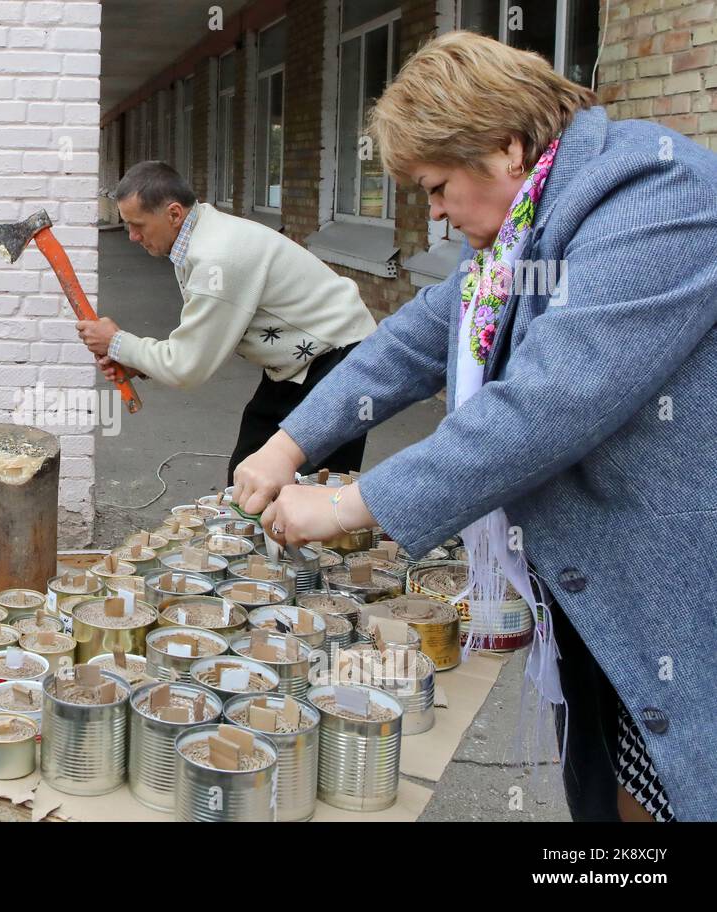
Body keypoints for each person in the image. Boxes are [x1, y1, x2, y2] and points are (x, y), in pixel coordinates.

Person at [234, 32, 717, 822]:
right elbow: (414, 338)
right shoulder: (534, 215)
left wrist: (351, 504)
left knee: (679, 777)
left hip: (675, 583)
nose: (434, 213)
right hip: (600, 576)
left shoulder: (656, 196)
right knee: (610, 781)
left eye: (436, 187)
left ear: (505, 146)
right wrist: (287, 443)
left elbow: (549, 403)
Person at [75, 162, 377, 485]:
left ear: (174, 214)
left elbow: (187, 366)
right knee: (247, 472)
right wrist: (139, 363)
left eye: (138, 225)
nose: (132, 236)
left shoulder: (216, 256)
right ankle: (248, 533)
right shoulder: (197, 236)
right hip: (298, 362)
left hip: (341, 359)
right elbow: (205, 339)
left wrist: (116, 342)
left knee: (311, 489)